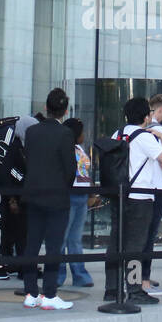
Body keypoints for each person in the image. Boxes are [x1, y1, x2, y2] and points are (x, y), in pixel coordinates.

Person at [104, 97, 162, 305]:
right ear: (146, 116)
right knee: (135, 245)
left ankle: (112, 288)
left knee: (115, 242)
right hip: (140, 197)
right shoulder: (144, 137)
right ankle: (134, 290)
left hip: (119, 196)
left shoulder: (117, 134)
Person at [21, 88, 78, 310]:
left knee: (31, 245)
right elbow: (70, 169)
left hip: (33, 193)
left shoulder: (32, 132)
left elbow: (28, 160)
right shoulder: (65, 134)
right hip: (56, 196)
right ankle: (50, 293)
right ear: (64, 111)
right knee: (54, 246)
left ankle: (30, 292)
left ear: (46, 107)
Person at [140, 93, 162, 297]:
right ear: (160, 109)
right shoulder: (160, 131)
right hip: (157, 188)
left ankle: (138, 277)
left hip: (139, 189)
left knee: (138, 236)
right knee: (149, 237)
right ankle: (144, 280)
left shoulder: (139, 128)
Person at [62, 117, 96, 287]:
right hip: (69, 195)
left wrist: (91, 193)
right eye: (82, 131)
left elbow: (84, 173)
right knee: (62, 237)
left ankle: (80, 274)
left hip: (81, 195)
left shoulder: (79, 148)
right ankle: (58, 275)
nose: (84, 135)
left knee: (75, 238)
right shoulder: (66, 149)